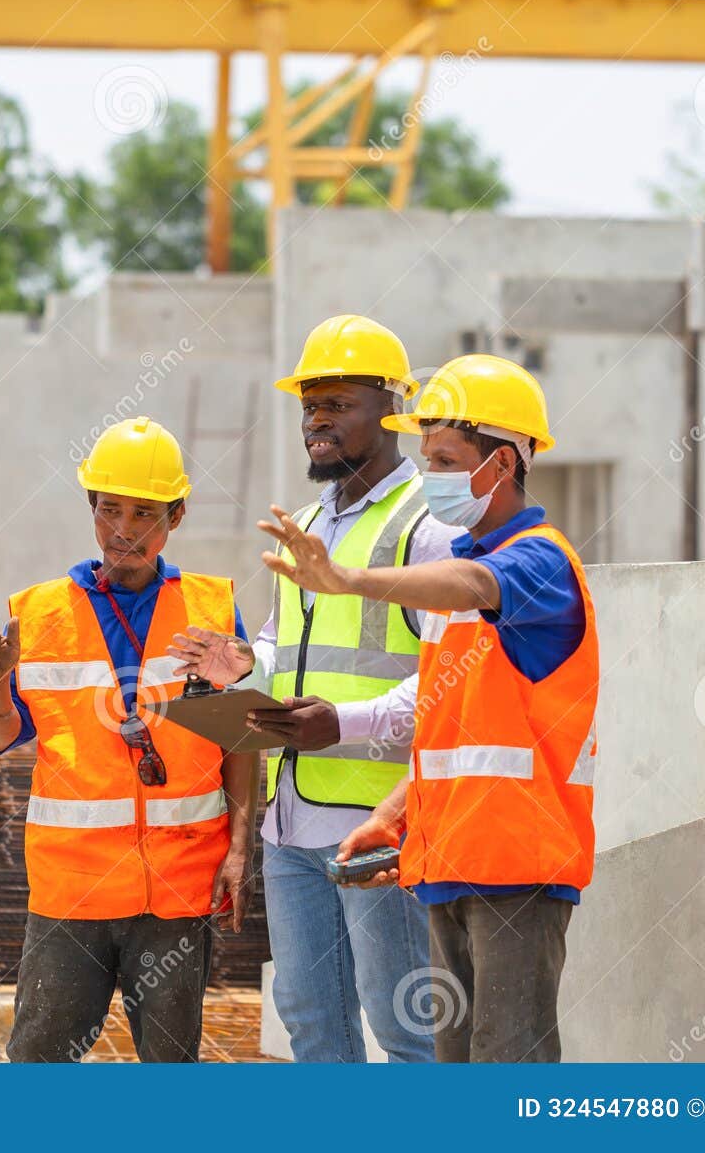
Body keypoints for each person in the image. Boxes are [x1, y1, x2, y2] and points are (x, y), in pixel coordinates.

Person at [258, 354, 597, 1063]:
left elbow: (476, 581)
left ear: (501, 464)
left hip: (517, 874)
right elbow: (459, 732)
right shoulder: (467, 579)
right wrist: (397, 814)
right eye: (426, 456)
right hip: (448, 866)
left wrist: (348, 578)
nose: (431, 474)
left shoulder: (538, 565)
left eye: (446, 458)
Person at [169, 315, 459, 1062]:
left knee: (404, 1027)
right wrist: (244, 669)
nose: (318, 420)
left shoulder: (424, 528)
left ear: (391, 411)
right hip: (291, 821)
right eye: (309, 405)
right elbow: (284, 649)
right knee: (311, 1021)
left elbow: (448, 683)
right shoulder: (300, 524)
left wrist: (347, 723)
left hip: (377, 822)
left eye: (338, 402)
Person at [0, 416, 258, 1063]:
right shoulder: (39, 617)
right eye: (109, 509)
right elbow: (2, 733)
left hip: (177, 888)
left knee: (169, 1065)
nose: (124, 529)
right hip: (74, 890)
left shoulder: (211, 609)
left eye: (144, 512)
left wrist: (240, 844)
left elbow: (241, 736)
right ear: (90, 508)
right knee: (40, 1059)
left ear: (176, 516)